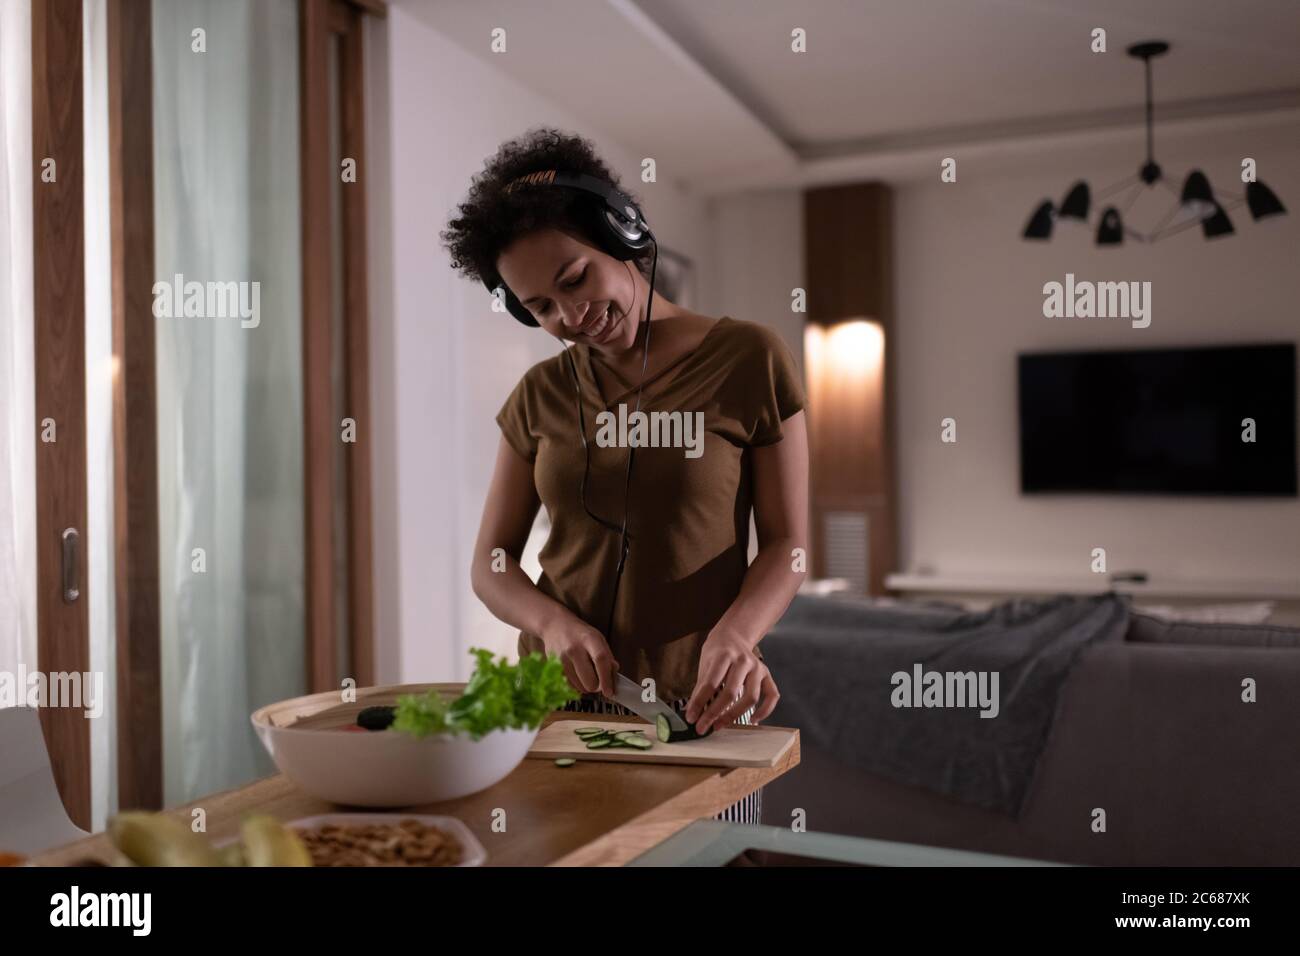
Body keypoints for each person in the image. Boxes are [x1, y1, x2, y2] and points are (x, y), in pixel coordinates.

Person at [441, 128, 808, 824]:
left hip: (701, 704)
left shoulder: (750, 358)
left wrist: (736, 636)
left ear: (624, 235)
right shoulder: (536, 395)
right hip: (555, 710)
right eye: (541, 308)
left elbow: (789, 543)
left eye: (574, 280)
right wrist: (551, 624)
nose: (569, 317)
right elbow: (491, 565)